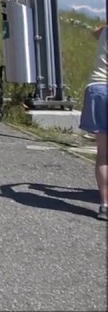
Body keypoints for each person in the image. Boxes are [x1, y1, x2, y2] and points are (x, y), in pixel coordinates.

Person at [80, 25, 108, 221]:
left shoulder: (105, 30)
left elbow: (95, 32)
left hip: (97, 89)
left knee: (103, 154)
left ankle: (105, 205)